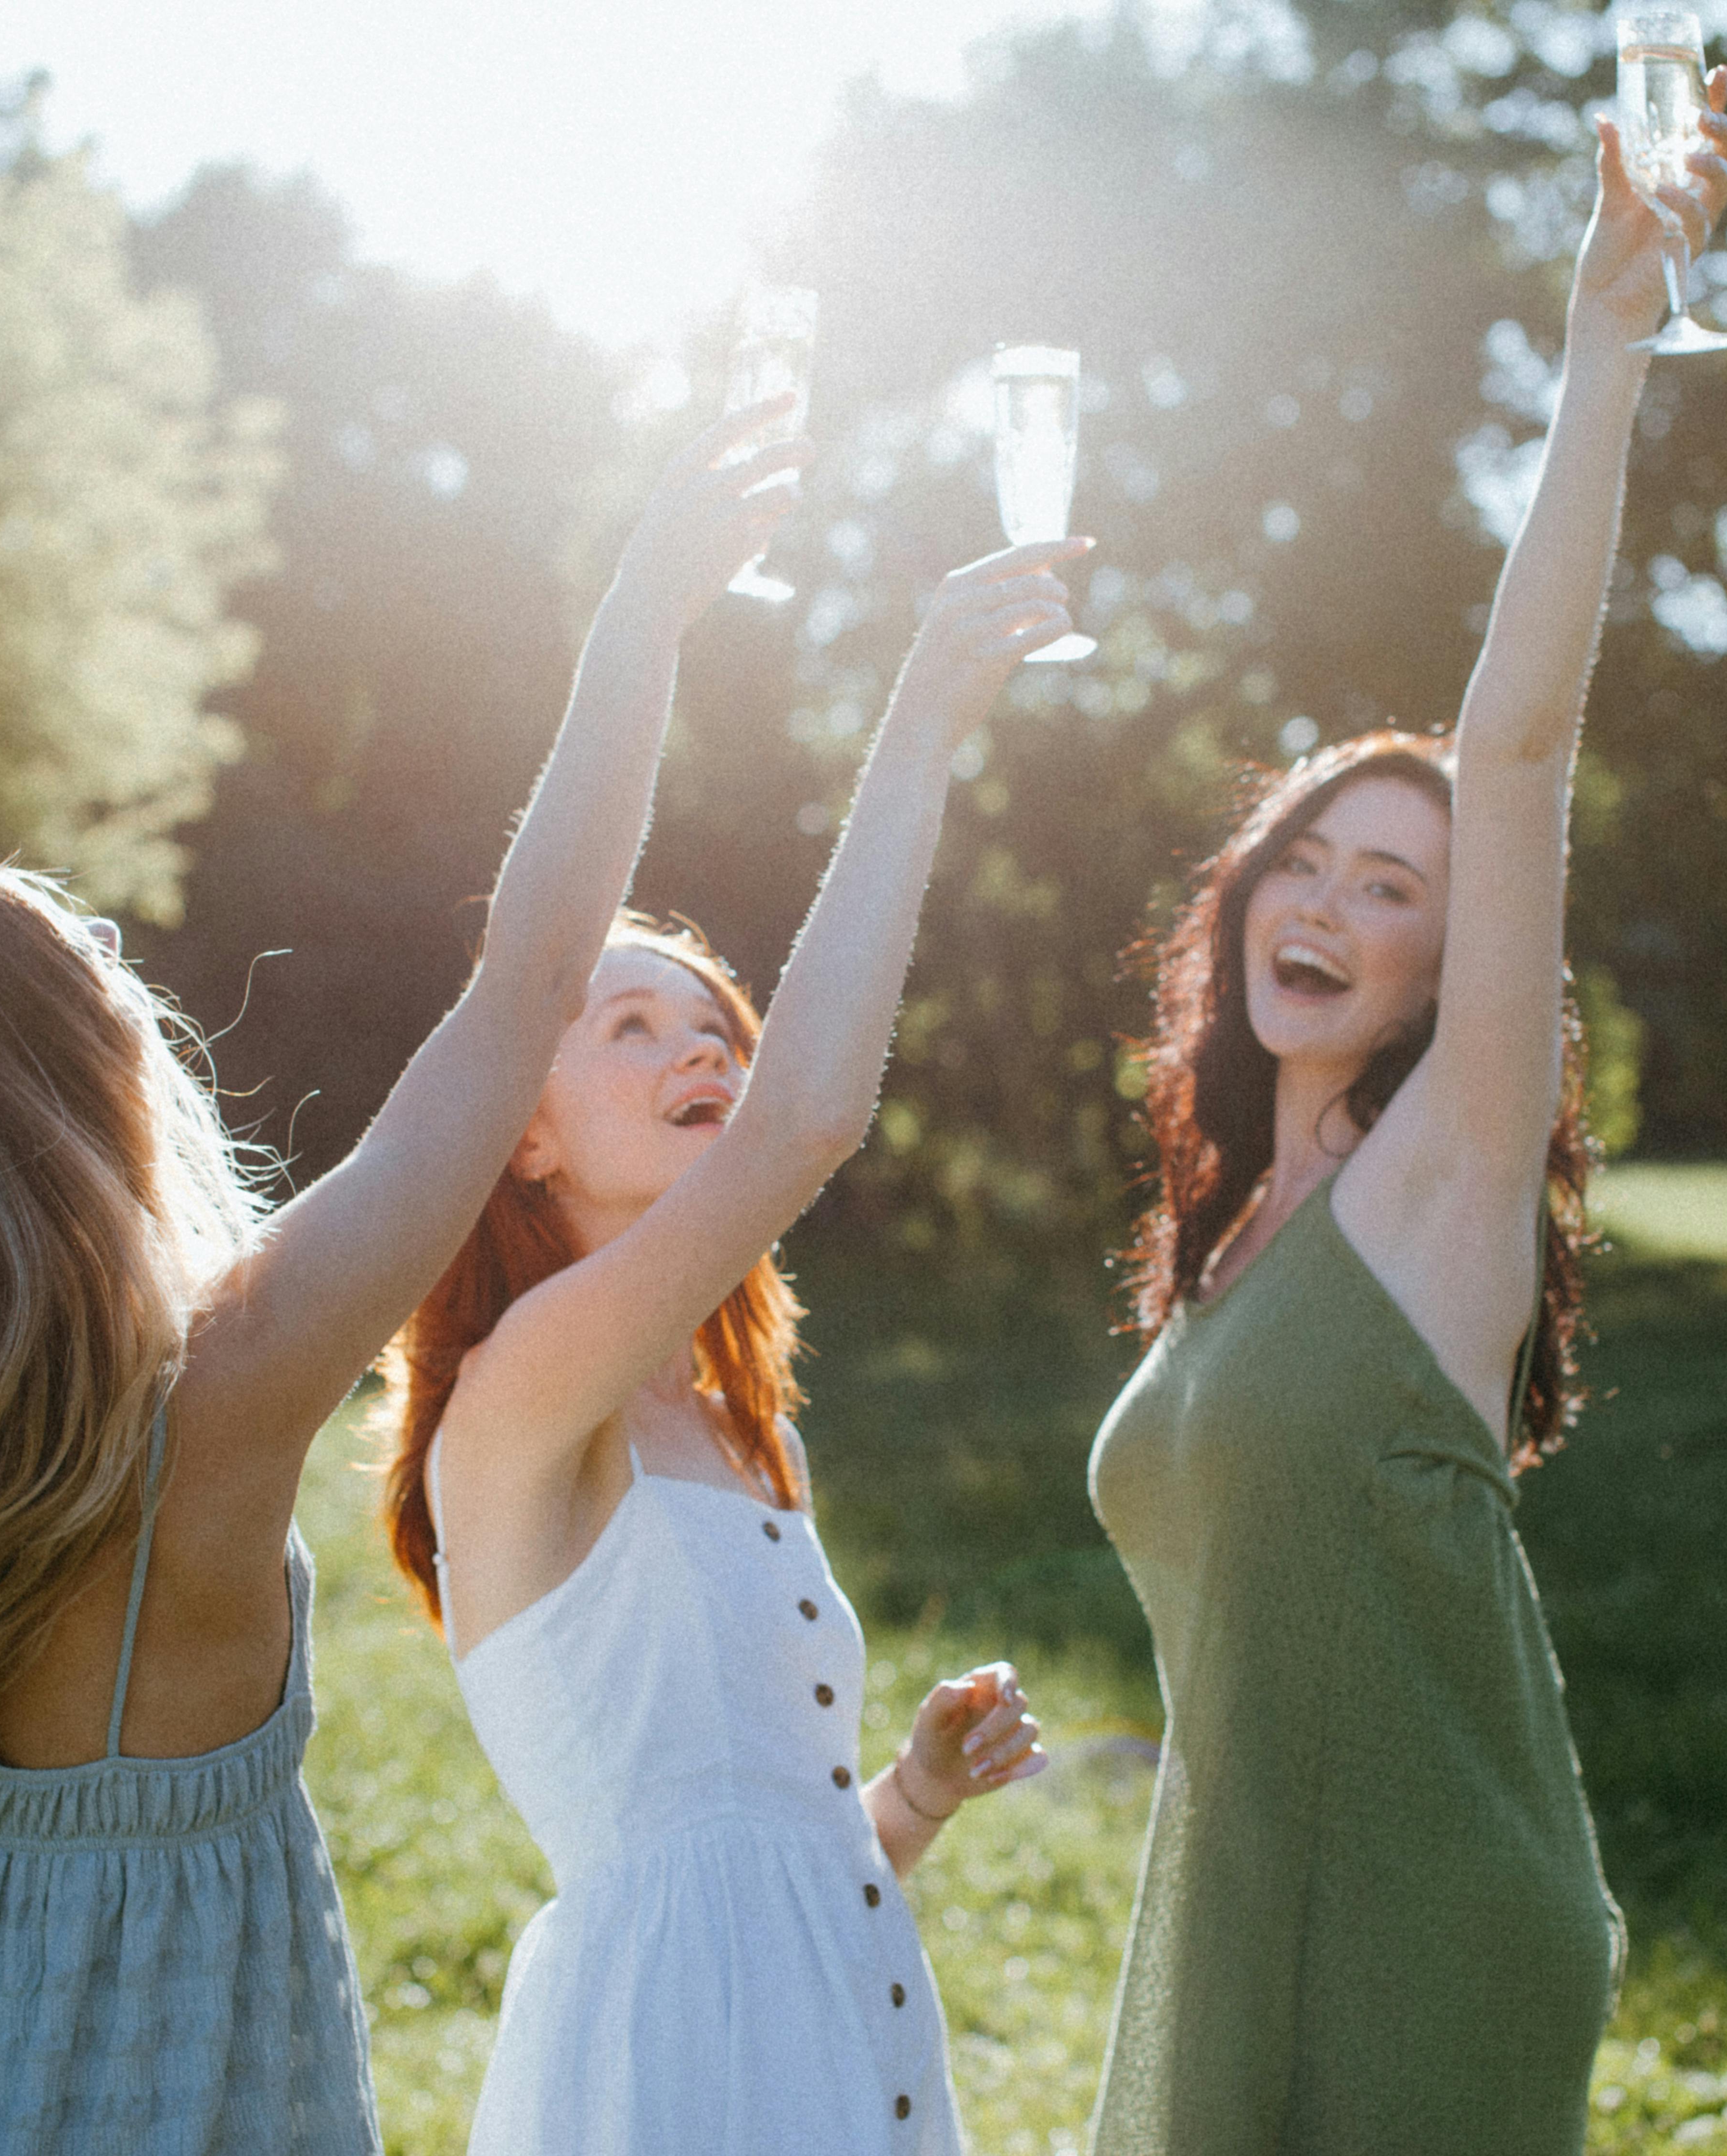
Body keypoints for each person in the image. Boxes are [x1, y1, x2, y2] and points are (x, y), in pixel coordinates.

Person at [0, 402, 812, 2154]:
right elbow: (525, 983)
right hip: (195, 2094)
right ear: (108, 1100)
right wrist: (638, 621)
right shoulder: (224, 1396)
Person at [1082, 79, 1727, 2156]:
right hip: (1234, 1914)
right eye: (1313, 859)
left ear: (1455, 981)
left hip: (1425, 1927)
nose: (1335, 902)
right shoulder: (1230, 1234)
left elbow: (1521, 746)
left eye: (1400, 889)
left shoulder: (1446, 1179)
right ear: (1248, 893)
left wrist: (1605, 350)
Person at [381, 539, 1087, 2155]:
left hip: (844, 2035)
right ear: (526, 1142)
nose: (698, 1040)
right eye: (627, 1025)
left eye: (713, 1021)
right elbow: (812, 1120)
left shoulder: (738, 1424)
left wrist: (904, 1798)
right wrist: (923, 722)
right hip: (665, 2079)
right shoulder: (517, 1404)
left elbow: (770, 1858)